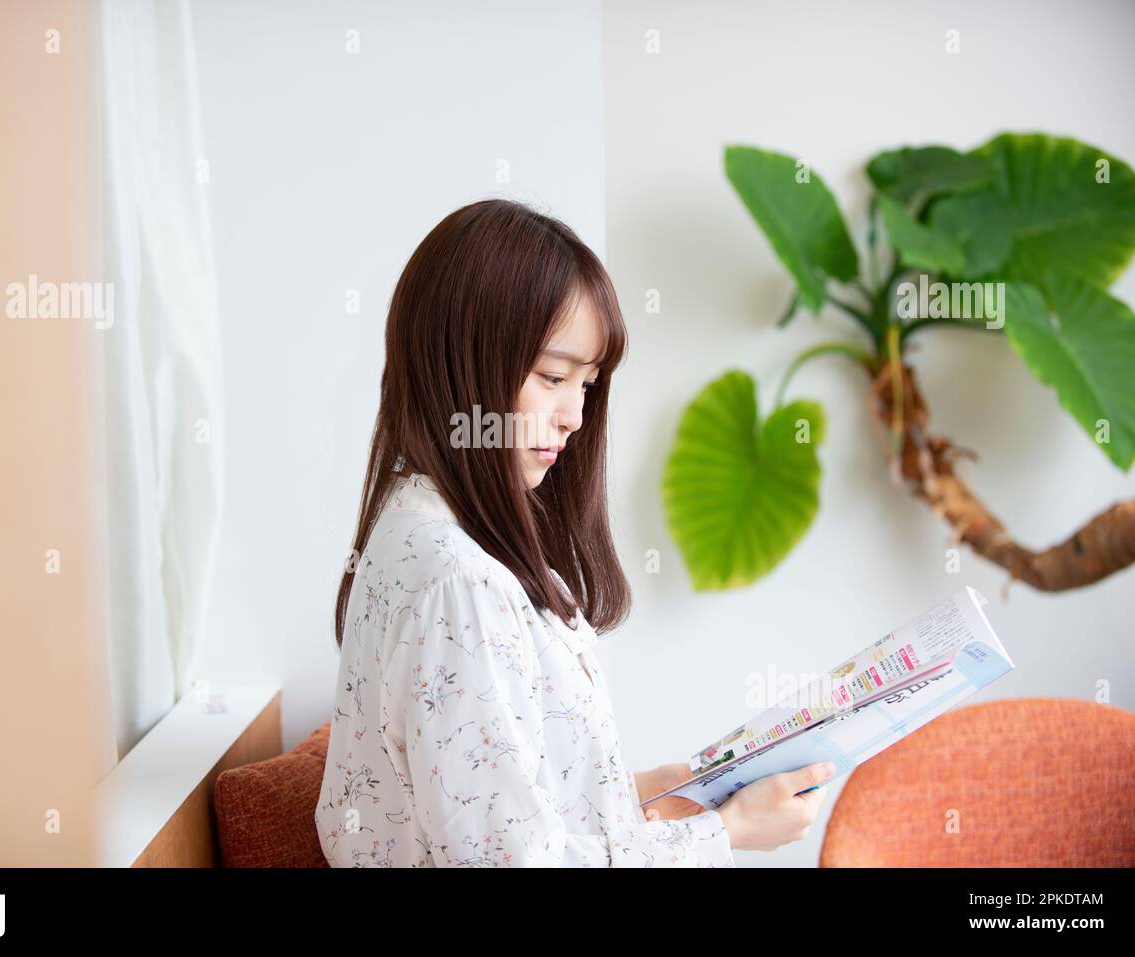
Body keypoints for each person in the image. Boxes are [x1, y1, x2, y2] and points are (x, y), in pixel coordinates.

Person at [315, 198, 833, 867]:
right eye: (553, 376)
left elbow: (490, 810)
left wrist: (636, 796)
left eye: (587, 383)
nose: (574, 416)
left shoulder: (419, 527)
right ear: (458, 364)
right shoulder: (460, 579)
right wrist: (723, 832)